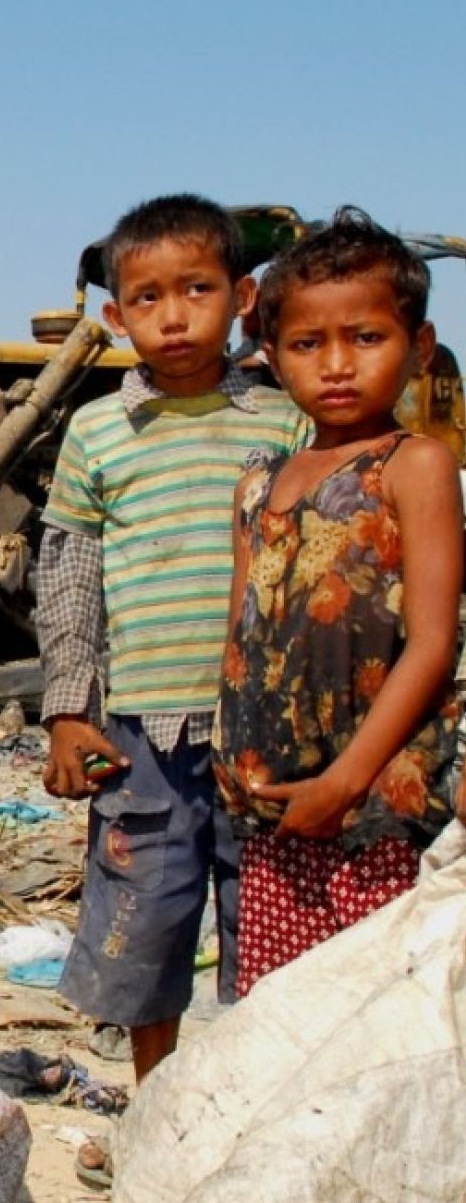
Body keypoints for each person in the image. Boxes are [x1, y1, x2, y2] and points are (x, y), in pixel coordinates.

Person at [36, 195, 309, 1183]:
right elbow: (65, 570)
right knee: (145, 928)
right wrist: (70, 708)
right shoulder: (100, 433)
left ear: (240, 298)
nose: (174, 314)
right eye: (146, 296)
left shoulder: (286, 417)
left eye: (197, 289)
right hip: (141, 731)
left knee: (268, 930)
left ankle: (256, 1127)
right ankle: (155, 1123)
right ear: (115, 316)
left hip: (265, 733)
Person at [214, 210, 460, 995]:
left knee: (366, 1029)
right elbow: (241, 637)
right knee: (279, 1027)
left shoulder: (413, 465)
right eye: (308, 344)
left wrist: (346, 781)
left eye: (366, 337)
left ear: (417, 348)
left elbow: (431, 642)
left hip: (374, 815)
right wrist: (229, 757)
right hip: (276, 815)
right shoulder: (258, 483)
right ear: (272, 356)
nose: (337, 364)